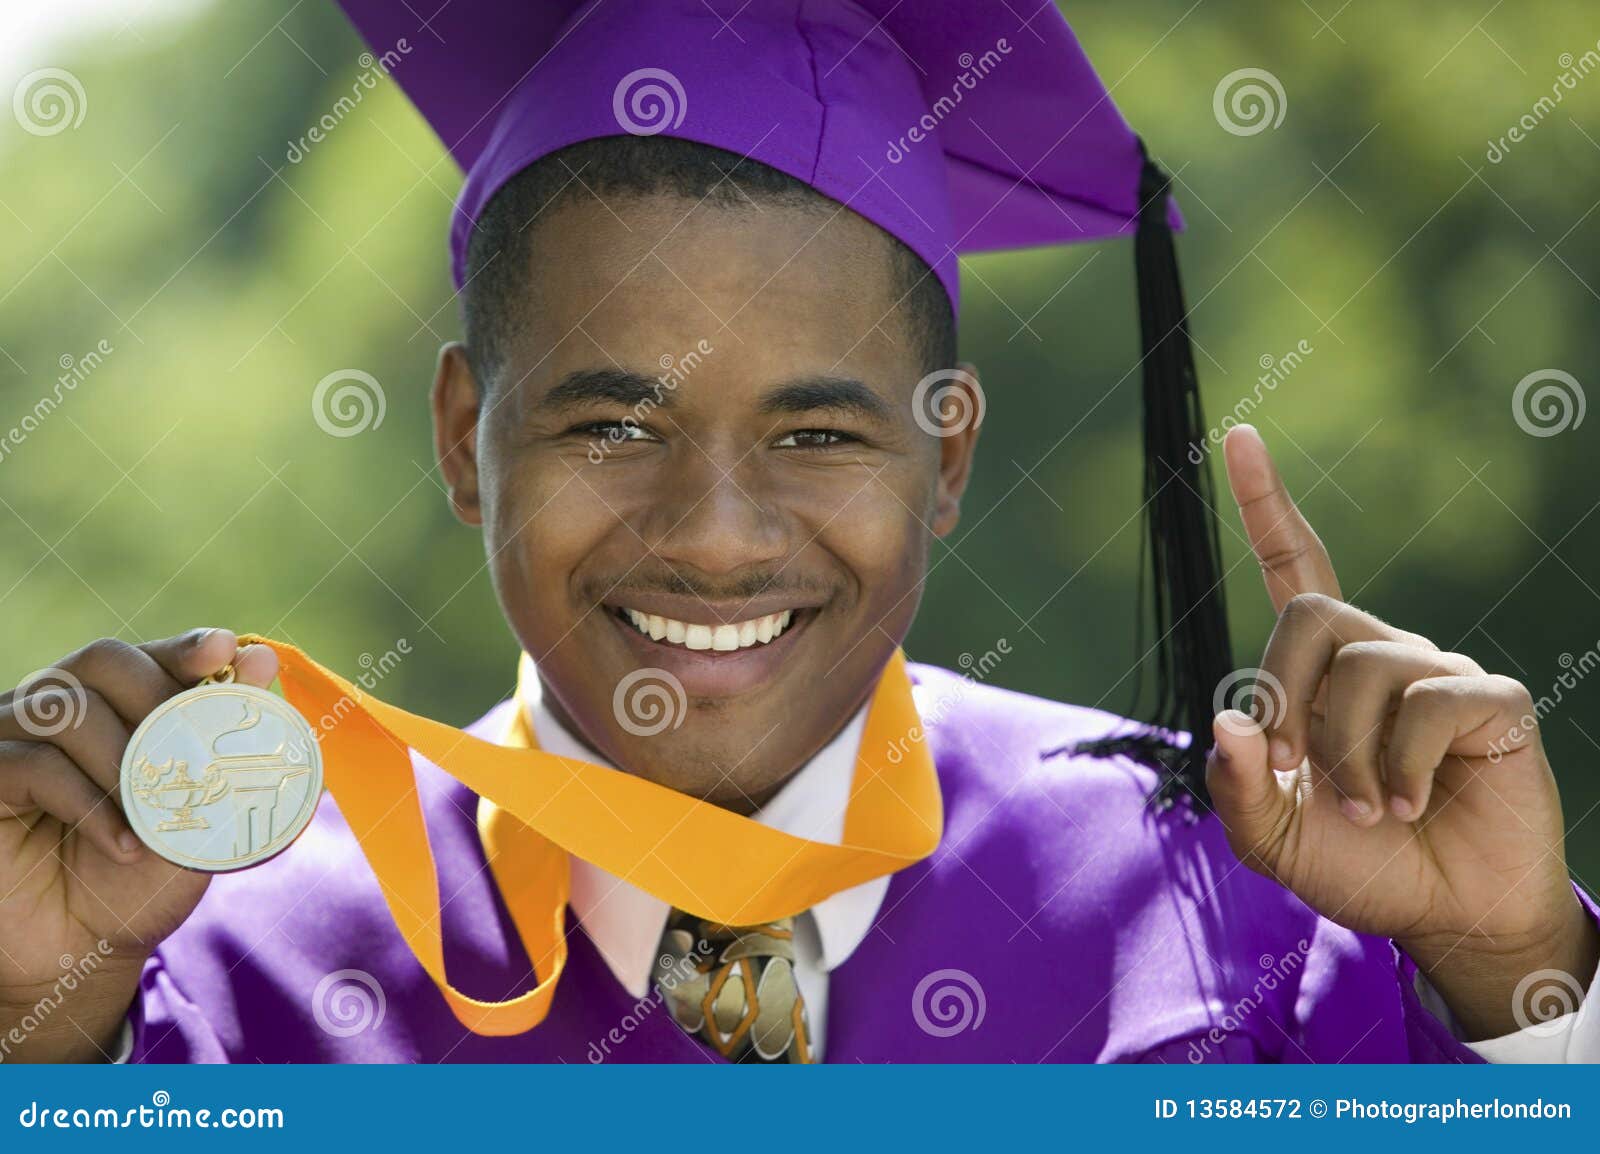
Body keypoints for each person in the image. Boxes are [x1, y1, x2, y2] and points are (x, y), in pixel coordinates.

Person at [1, 0, 1595, 1063]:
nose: (711, 534)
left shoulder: (1226, 917)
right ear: (460, 437)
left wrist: (1515, 970)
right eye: (610, 423)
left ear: (950, 454)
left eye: (819, 432)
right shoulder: (211, 986)